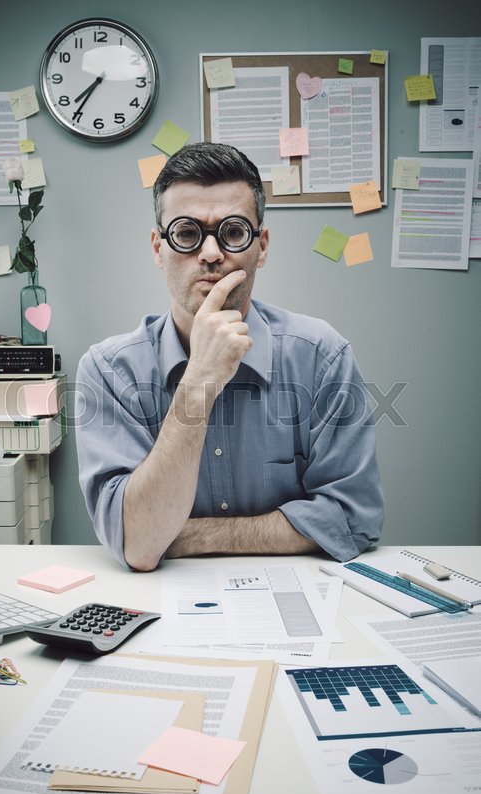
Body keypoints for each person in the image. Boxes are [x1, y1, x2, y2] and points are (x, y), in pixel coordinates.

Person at [75, 142, 384, 571]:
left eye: (233, 232)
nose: (211, 253)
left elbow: (353, 519)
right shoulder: (108, 370)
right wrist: (199, 379)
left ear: (262, 246)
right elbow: (140, 544)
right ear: (157, 248)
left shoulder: (321, 356)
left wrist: (185, 536)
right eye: (186, 233)